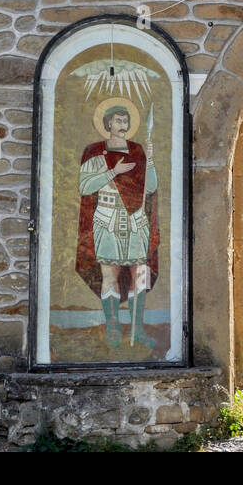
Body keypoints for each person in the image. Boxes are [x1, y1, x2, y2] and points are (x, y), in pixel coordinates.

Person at [75, 105, 160, 349]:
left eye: (126, 120)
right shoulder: (95, 153)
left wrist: (150, 159)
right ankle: (112, 328)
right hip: (108, 220)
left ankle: (137, 330)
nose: (122, 124)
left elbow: (151, 187)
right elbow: (85, 187)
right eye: (117, 120)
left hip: (136, 222)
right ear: (108, 123)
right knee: (109, 275)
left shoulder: (138, 151)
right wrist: (113, 171)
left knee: (139, 276)